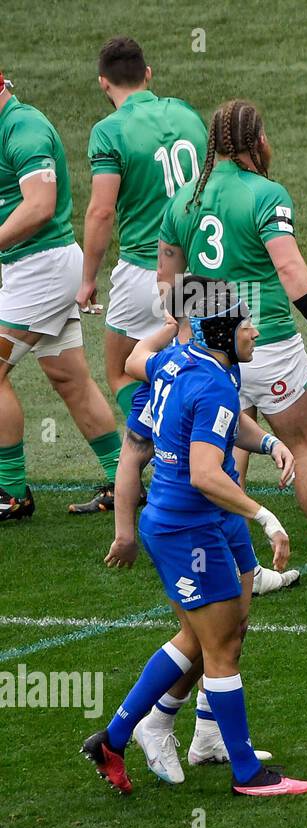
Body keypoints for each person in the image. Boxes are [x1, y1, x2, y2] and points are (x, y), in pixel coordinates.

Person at [81, 283, 307, 796]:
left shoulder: (180, 358)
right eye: (246, 323)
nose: (254, 329)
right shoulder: (215, 384)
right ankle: (246, 773)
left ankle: (120, 736)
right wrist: (265, 515)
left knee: (201, 638)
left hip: (186, 521)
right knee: (223, 645)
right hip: (189, 526)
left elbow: (142, 361)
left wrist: (269, 441)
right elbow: (207, 473)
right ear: (224, 333)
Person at [158, 98, 307, 584]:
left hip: (211, 349)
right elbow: (290, 269)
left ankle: (237, 566)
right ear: (254, 143)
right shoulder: (267, 194)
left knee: (225, 448)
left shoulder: (184, 198)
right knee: (303, 446)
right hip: (266, 341)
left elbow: (168, 284)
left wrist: (188, 333)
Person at [0, 71, 122, 520]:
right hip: (38, 269)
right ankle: (122, 480)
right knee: (69, 377)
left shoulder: (24, 129)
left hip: (42, 271)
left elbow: (39, 205)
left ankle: (10, 491)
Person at [78, 37, 206, 452]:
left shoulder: (109, 131)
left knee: (120, 371)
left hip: (143, 269)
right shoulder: (187, 114)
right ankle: (193, 453)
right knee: (195, 366)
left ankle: (161, 449)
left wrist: (87, 279)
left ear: (102, 83)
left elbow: (101, 212)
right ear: (148, 74)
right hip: (199, 270)